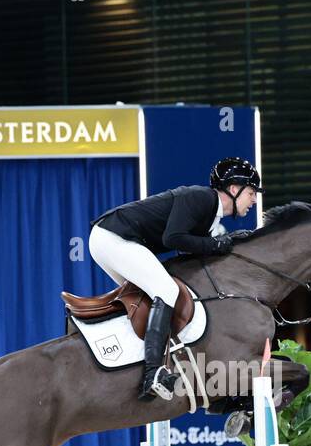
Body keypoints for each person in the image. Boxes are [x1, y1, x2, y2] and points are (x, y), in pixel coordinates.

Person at [88, 157, 262, 400]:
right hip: (114, 237)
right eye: (252, 192)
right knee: (167, 291)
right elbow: (174, 238)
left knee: (148, 301)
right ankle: (152, 374)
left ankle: (133, 366)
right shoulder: (203, 198)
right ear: (234, 189)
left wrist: (217, 244)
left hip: (108, 239)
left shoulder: (211, 215)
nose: (254, 199)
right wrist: (214, 244)